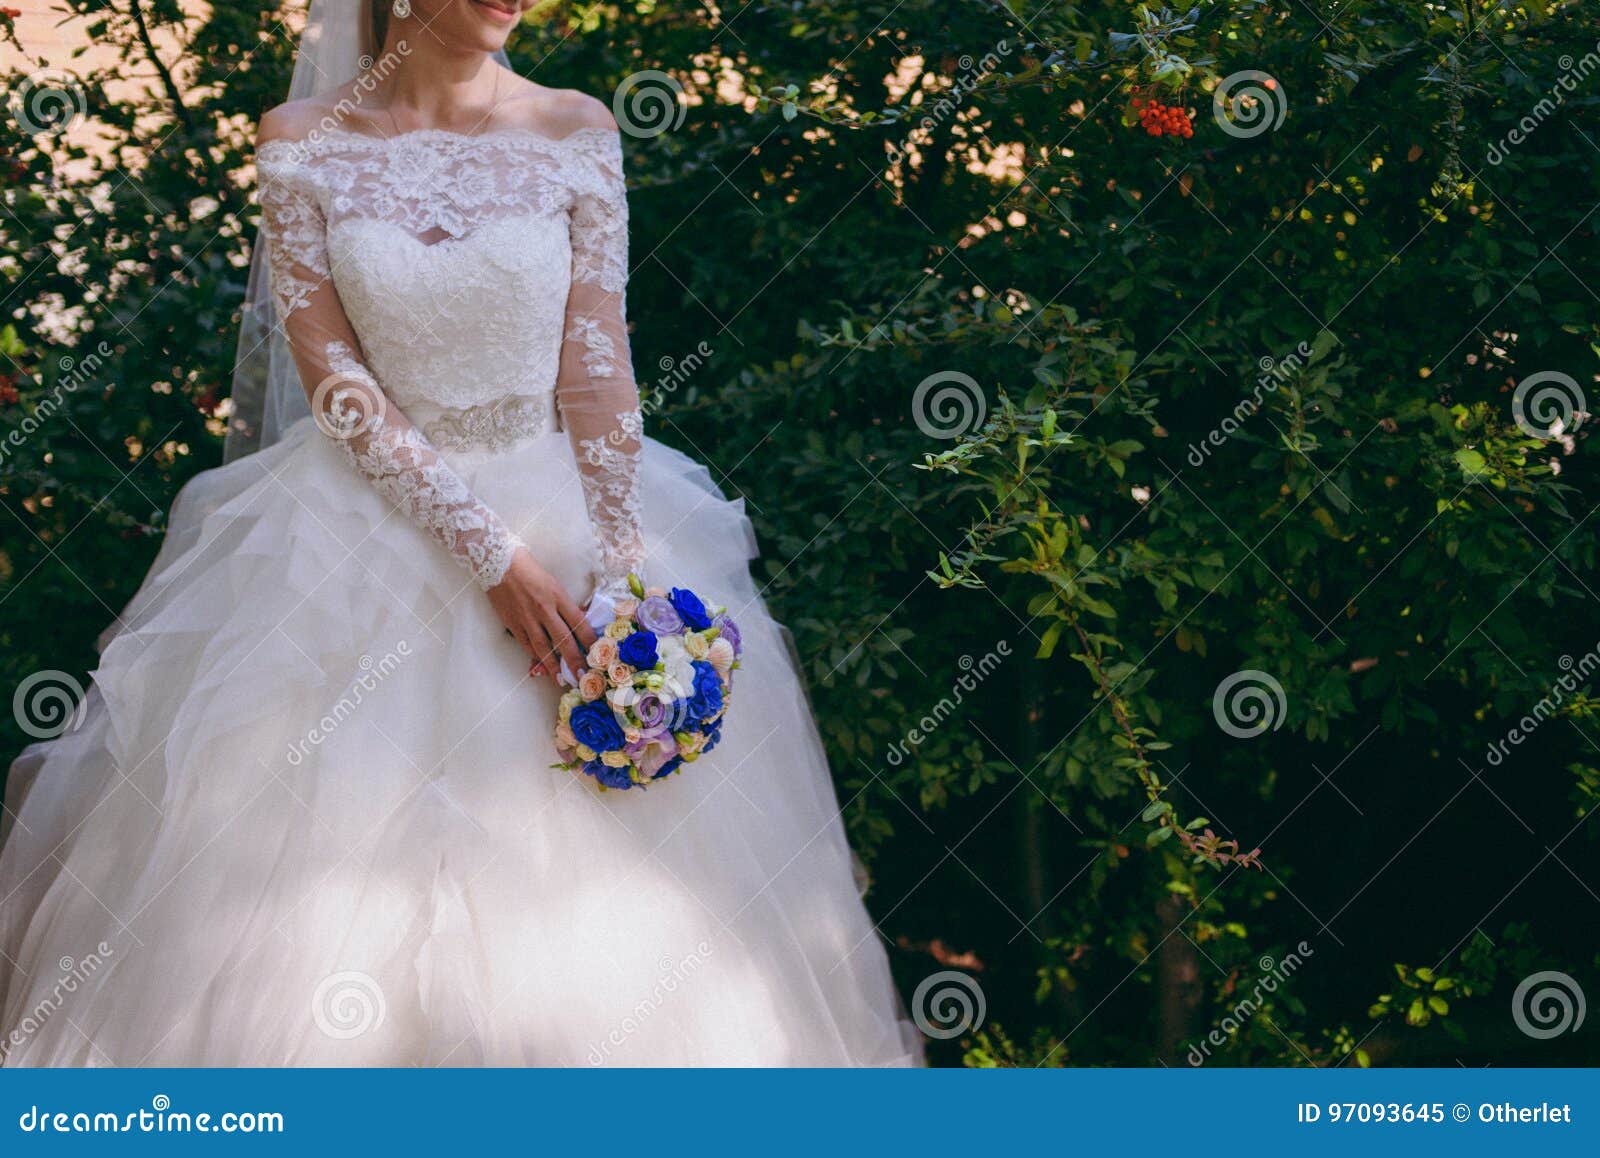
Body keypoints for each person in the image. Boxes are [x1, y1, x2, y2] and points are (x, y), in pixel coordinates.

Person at [0, 0, 921, 1067]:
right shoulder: (300, 142)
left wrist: (626, 576)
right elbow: (336, 383)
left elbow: (597, 360)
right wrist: (490, 555)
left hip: (566, 512)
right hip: (351, 534)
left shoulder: (574, 128)